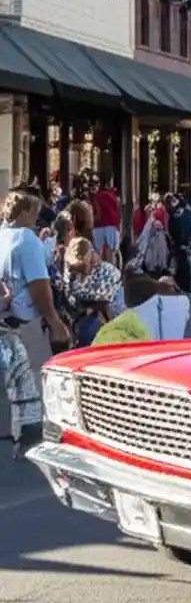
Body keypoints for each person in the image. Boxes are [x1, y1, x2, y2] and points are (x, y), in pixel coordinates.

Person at [0, 190, 70, 457]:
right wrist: (54, 320)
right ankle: (31, 439)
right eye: (35, 211)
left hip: (5, 319)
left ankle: (11, 433)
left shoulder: (2, 236)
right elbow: (38, 286)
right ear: (26, 212)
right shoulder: (26, 239)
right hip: (25, 320)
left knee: (10, 384)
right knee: (32, 382)